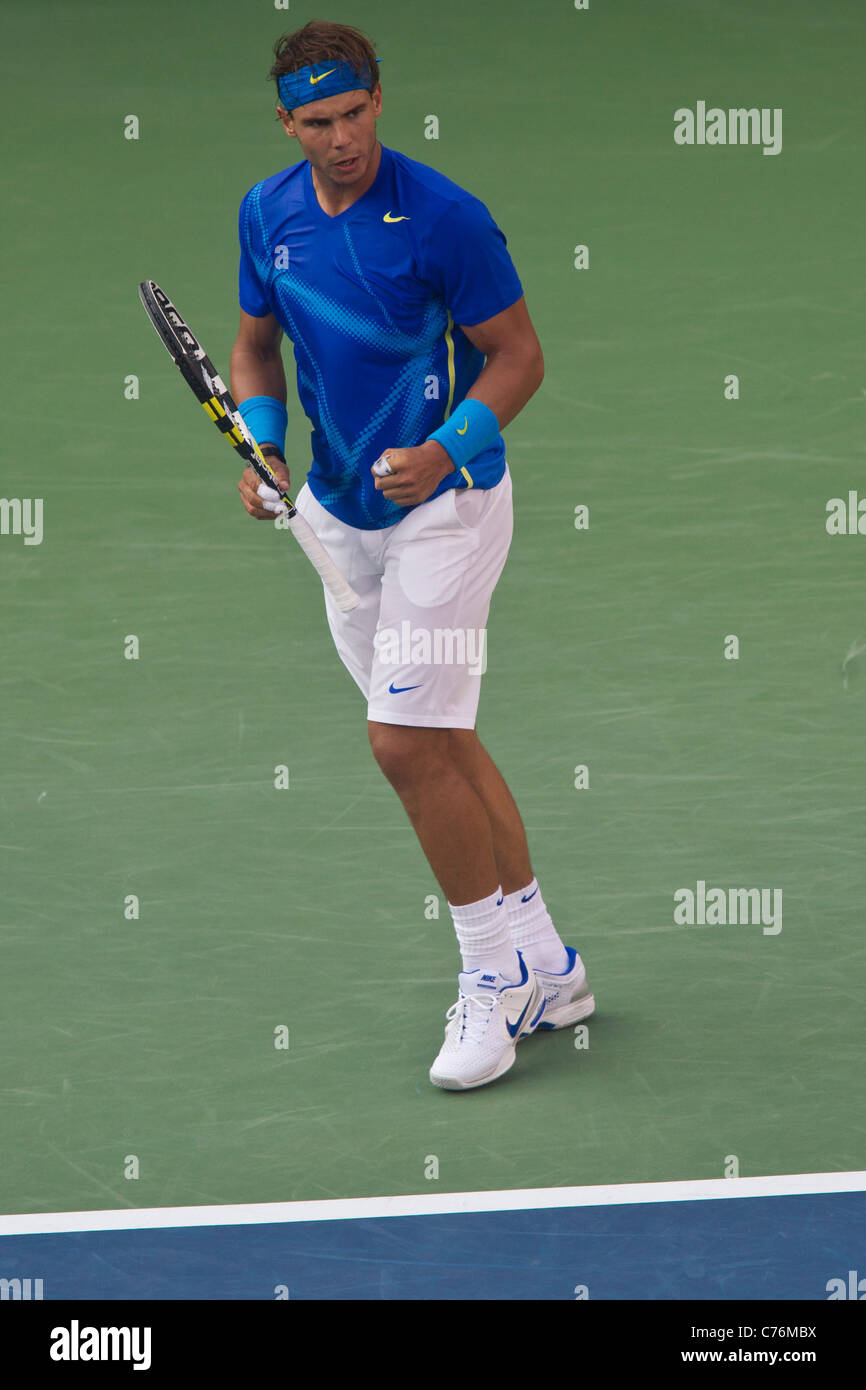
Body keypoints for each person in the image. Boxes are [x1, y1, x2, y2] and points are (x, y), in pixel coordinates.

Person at [231, 20, 594, 1090]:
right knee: (436, 739)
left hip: (448, 506)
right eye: (316, 121)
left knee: (398, 743)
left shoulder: (442, 217)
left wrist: (444, 452)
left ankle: (490, 981)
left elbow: (517, 358)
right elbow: (255, 346)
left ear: (379, 101)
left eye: (354, 114)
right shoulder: (267, 212)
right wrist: (262, 447)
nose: (339, 138)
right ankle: (545, 960)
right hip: (338, 509)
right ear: (287, 122)